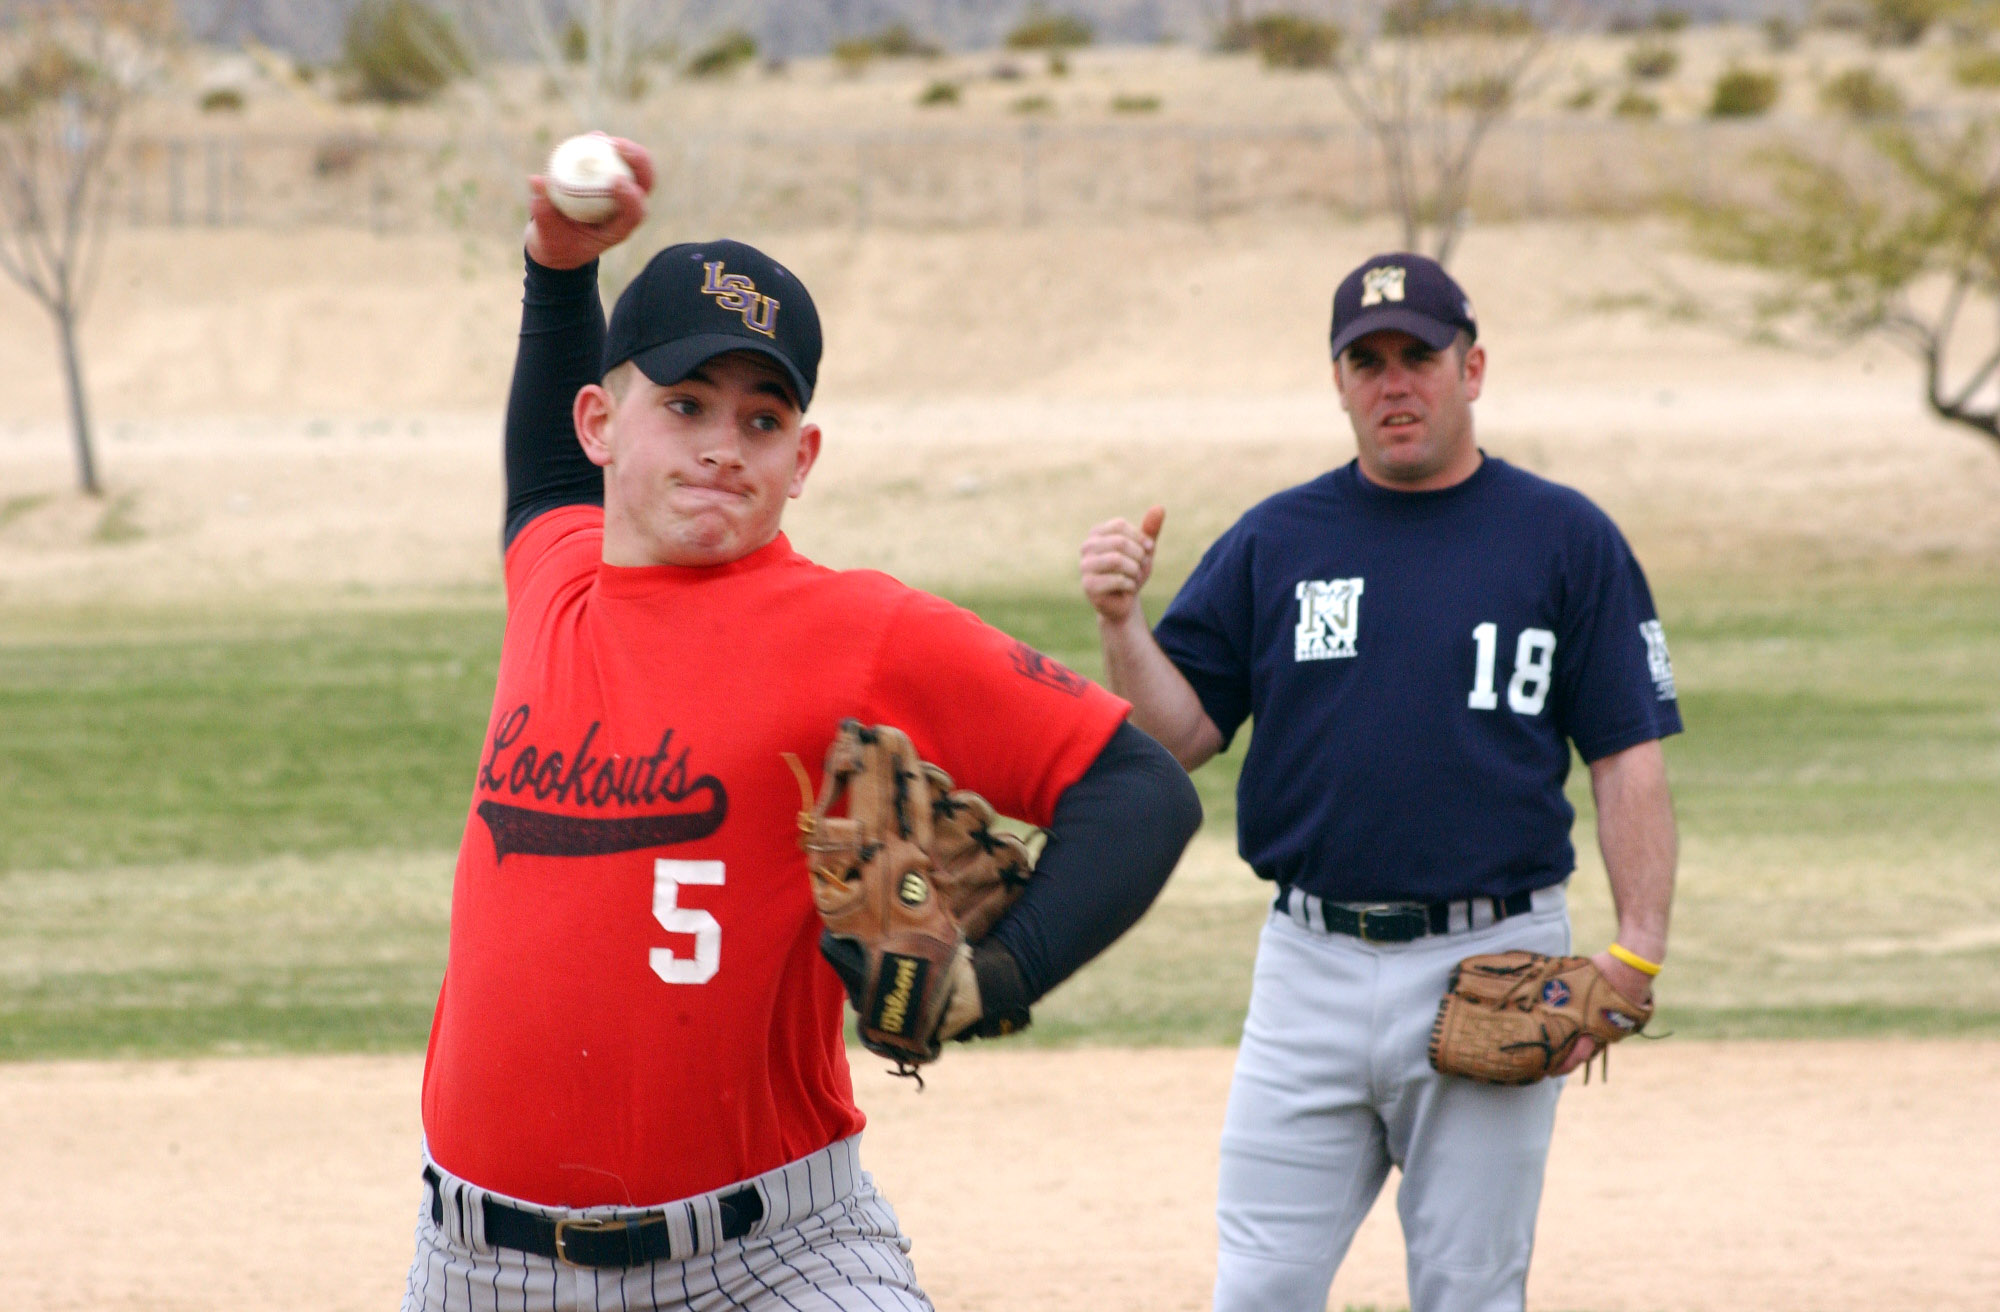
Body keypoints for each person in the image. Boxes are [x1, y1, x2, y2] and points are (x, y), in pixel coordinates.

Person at [401, 137, 1201, 1312]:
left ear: (803, 457)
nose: (723, 444)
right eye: (682, 405)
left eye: (762, 417)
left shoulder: (855, 629)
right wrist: (558, 267)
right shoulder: (554, 575)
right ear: (599, 424)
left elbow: (1140, 787)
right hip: (483, 1269)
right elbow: (535, 479)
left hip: (770, 1258)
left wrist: (1001, 972)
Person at [1078, 252, 1681, 1312]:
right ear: (1337, 381)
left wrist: (1634, 951)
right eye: (1365, 361)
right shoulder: (1276, 538)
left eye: (1417, 355)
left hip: (1494, 954)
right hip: (1302, 962)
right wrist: (1121, 624)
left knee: (1467, 1289)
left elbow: (1626, 752)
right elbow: (1171, 739)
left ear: (1472, 368)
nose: (1391, 381)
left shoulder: (1563, 537)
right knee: (1257, 1287)